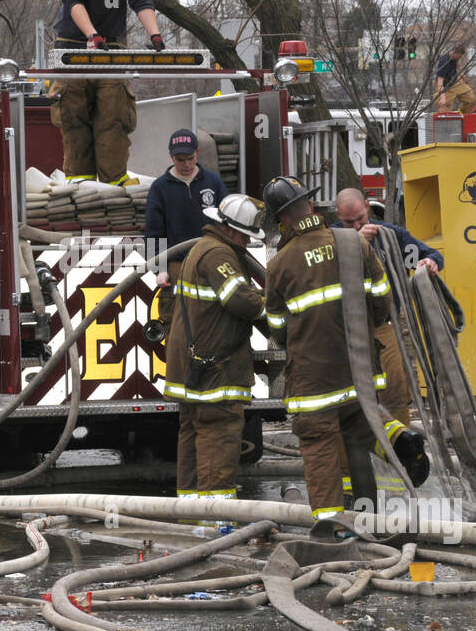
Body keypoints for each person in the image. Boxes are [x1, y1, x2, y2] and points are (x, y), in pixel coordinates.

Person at [263, 175, 392, 538]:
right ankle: (372, 517)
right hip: (359, 370)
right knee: (359, 435)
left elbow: (276, 328)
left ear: (282, 220)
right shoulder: (353, 243)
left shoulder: (279, 264)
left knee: (319, 446)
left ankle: (332, 528)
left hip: (313, 379)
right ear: (310, 206)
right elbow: (382, 300)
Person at [163, 194, 266, 501]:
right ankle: (215, 516)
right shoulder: (219, 254)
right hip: (215, 369)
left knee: (193, 431)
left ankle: (191, 510)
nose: (248, 243)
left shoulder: (203, 248)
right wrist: (269, 306)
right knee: (219, 431)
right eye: (246, 237)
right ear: (232, 230)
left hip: (194, 364)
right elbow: (238, 299)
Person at [51, 0, 164, 187]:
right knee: (73, 114)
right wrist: (92, 35)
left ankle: (115, 180)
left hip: (112, 47)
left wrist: (156, 35)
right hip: (72, 47)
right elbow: (72, 0)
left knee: (114, 113)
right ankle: (80, 181)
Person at [332, 188, 433, 487]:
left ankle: (401, 471)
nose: (355, 226)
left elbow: (425, 253)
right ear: (338, 216)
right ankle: (349, 479)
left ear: (367, 207)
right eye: (348, 222)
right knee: (345, 398)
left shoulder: (391, 236)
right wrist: (354, 242)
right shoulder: (330, 240)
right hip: (343, 329)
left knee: (394, 389)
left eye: (360, 218)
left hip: (381, 323)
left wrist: (429, 263)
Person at [145, 129, 227, 339]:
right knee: (176, 328)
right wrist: (159, 270)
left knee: (214, 322)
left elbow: (227, 224)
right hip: (176, 267)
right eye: (180, 160)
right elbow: (154, 233)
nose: (186, 164)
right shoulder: (159, 188)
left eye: (190, 158)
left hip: (211, 263)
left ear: (197, 153)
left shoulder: (213, 183)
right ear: (171, 157)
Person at [433, 45, 476, 114]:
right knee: (444, 106)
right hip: (444, 86)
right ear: (454, 53)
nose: (459, 58)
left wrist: (463, 77)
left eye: (461, 57)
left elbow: (458, 66)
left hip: (455, 81)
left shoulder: (456, 57)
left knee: (472, 100)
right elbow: (440, 81)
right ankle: (442, 120)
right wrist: (442, 97)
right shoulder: (444, 62)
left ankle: (463, 114)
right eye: (459, 56)